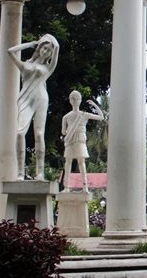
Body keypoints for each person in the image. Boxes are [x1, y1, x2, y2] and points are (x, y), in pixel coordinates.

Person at [10, 34, 60, 180]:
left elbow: (57, 47)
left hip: (41, 99)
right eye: (44, 48)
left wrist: (50, 38)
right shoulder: (25, 65)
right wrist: (31, 44)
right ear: (39, 48)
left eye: (49, 51)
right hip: (25, 99)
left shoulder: (48, 67)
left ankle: (40, 172)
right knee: (20, 133)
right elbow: (10, 51)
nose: (46, 51)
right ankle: (20, 172)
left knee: (39, 135)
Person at [61, 90, 105, 191]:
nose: (75, 101)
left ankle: (81, 187)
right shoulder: (67, 117)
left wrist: (94, 104)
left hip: (78, 139)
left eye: (76, 99)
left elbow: (101, 117)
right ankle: (70, 187)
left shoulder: (77, 115)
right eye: (75, 99)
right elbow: (101, 116)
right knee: (73, 162)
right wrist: (94, 105)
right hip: (73, 140)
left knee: (76, 162)